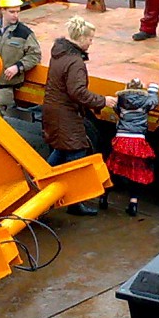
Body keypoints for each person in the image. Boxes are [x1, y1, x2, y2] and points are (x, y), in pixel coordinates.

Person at [42, 15, 117, 216]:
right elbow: (78, 92)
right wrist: (103, 101)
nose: (91, 42)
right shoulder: (75, 62)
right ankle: (74, 204)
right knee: (76, 155)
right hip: (65, 114)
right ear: (81, 38)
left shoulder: (58, 54)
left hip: (54, 111)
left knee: (60, 151)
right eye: (90, 38)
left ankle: (36, 184)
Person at [0, 0, 42, 112]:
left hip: (7, 91)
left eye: (18, 12)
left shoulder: (24, 33)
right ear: (3, 10)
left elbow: (35, 55)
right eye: (12, 12)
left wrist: (18, 67)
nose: (16, 15)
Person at [107, 78, 159, 217]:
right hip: (137, 141)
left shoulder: (120, 101)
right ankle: (133, 203)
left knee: (113, 169)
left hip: (121, 140)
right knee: (135, 173)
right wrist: (153, 88)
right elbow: (155, 101)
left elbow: (116, 110)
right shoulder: (146, 102)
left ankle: (104, 197)